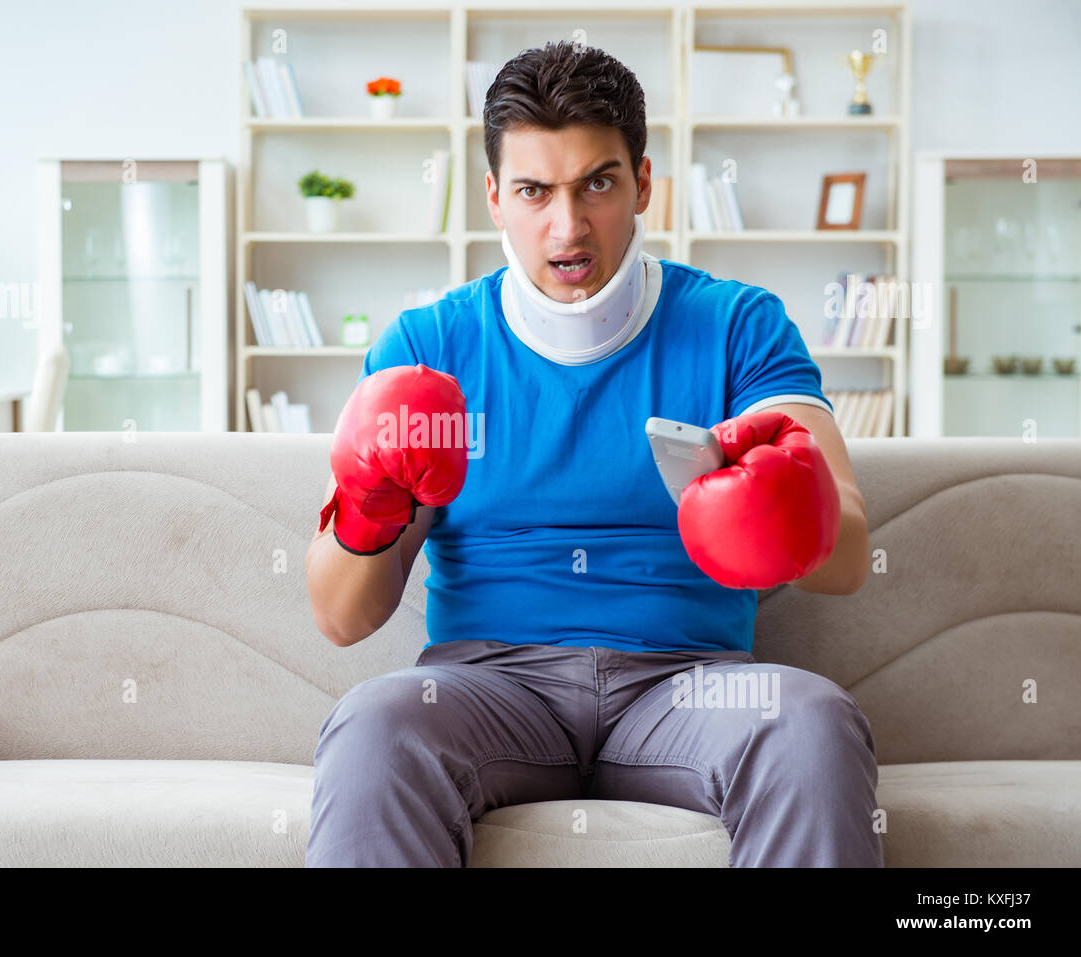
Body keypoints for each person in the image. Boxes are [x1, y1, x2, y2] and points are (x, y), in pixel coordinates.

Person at [304, 39, 881, 868]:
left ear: (644, 183)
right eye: (535, 191)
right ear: (497, 198)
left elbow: (852, 553)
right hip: (487, 686)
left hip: (690, 683)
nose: (567, 226)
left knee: (811, 722)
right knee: (373, 725)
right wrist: (370, 505)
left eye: (598, 184)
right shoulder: (429, 344)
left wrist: (787, 511)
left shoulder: (737, 325)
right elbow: (339, 616)